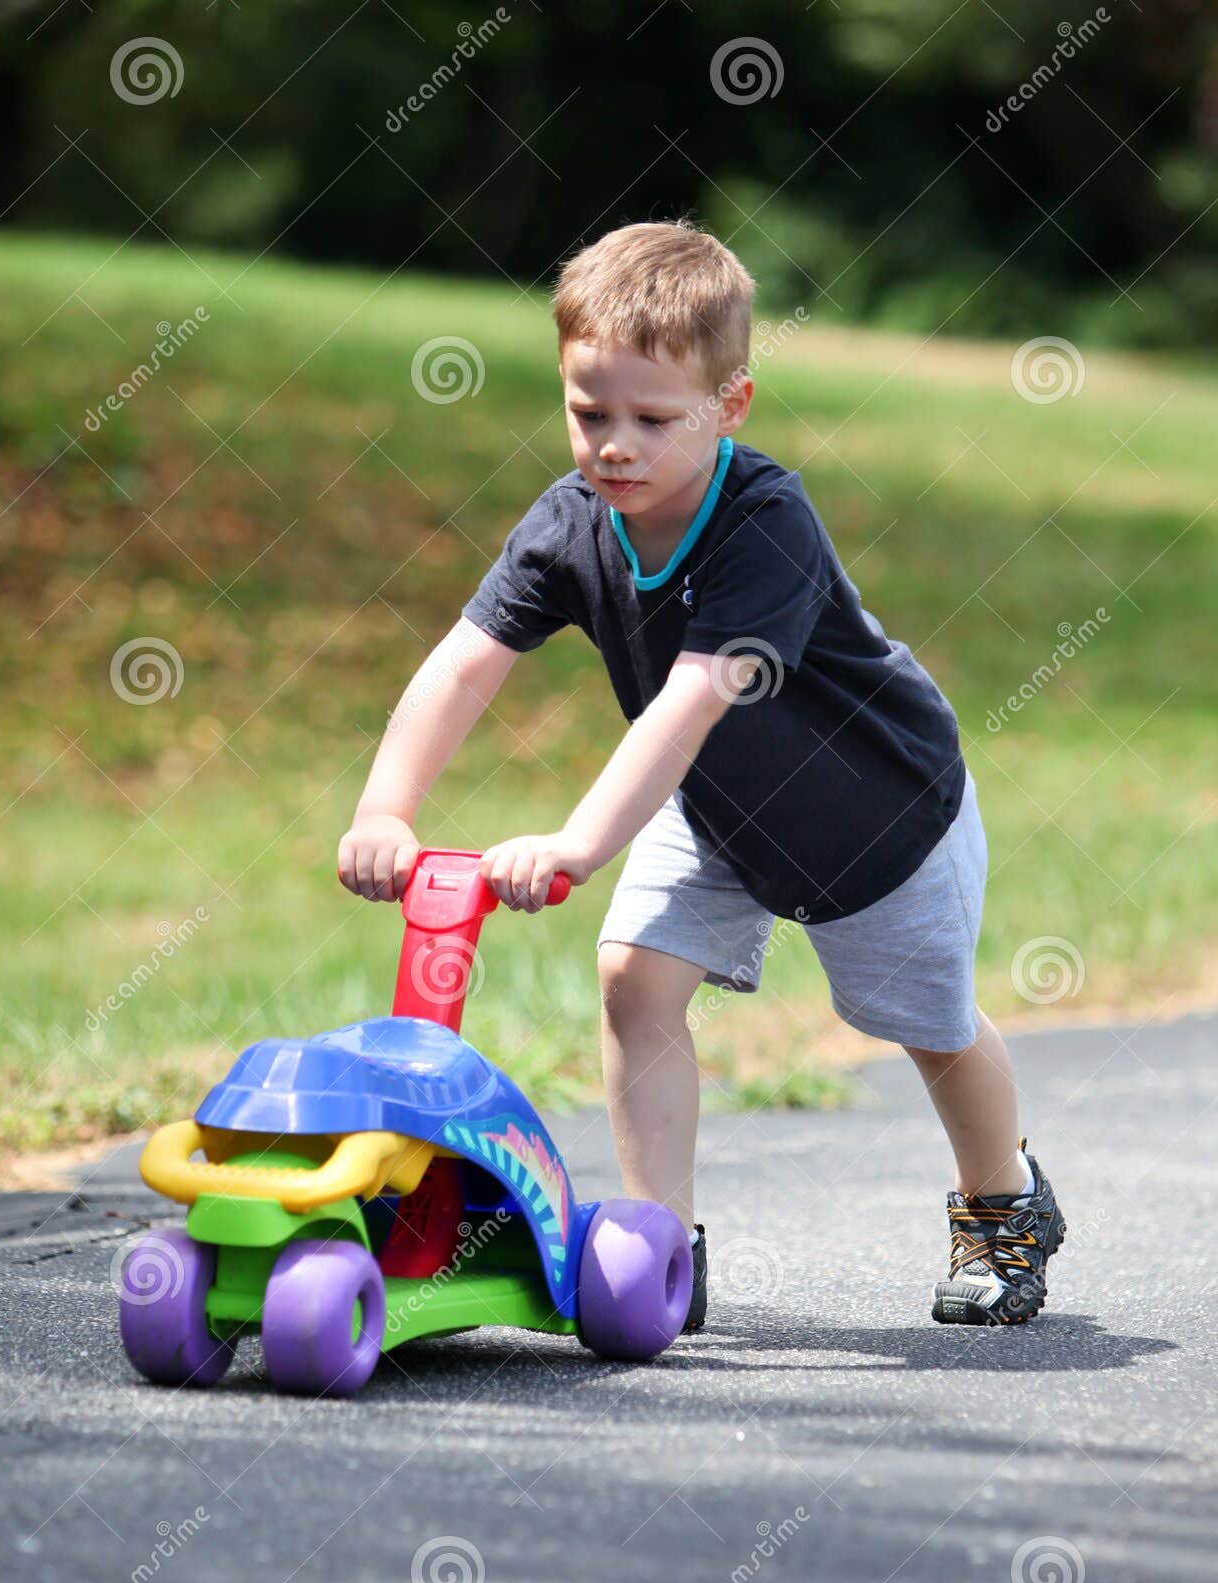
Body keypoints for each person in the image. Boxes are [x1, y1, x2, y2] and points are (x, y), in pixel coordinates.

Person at [338, 218, 1066, 1331]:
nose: (612, 446)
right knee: (633, 977)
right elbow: (463, 667)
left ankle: (1002, 1206)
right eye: (589, 413)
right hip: (719, 808)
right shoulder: (571, 523)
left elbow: (688, 703)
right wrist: (387, 806)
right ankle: (656, 1244)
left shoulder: (763, 521)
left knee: (929, 1026)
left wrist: (579, 844)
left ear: (730, 407)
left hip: (875, 816)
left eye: (650, 418)